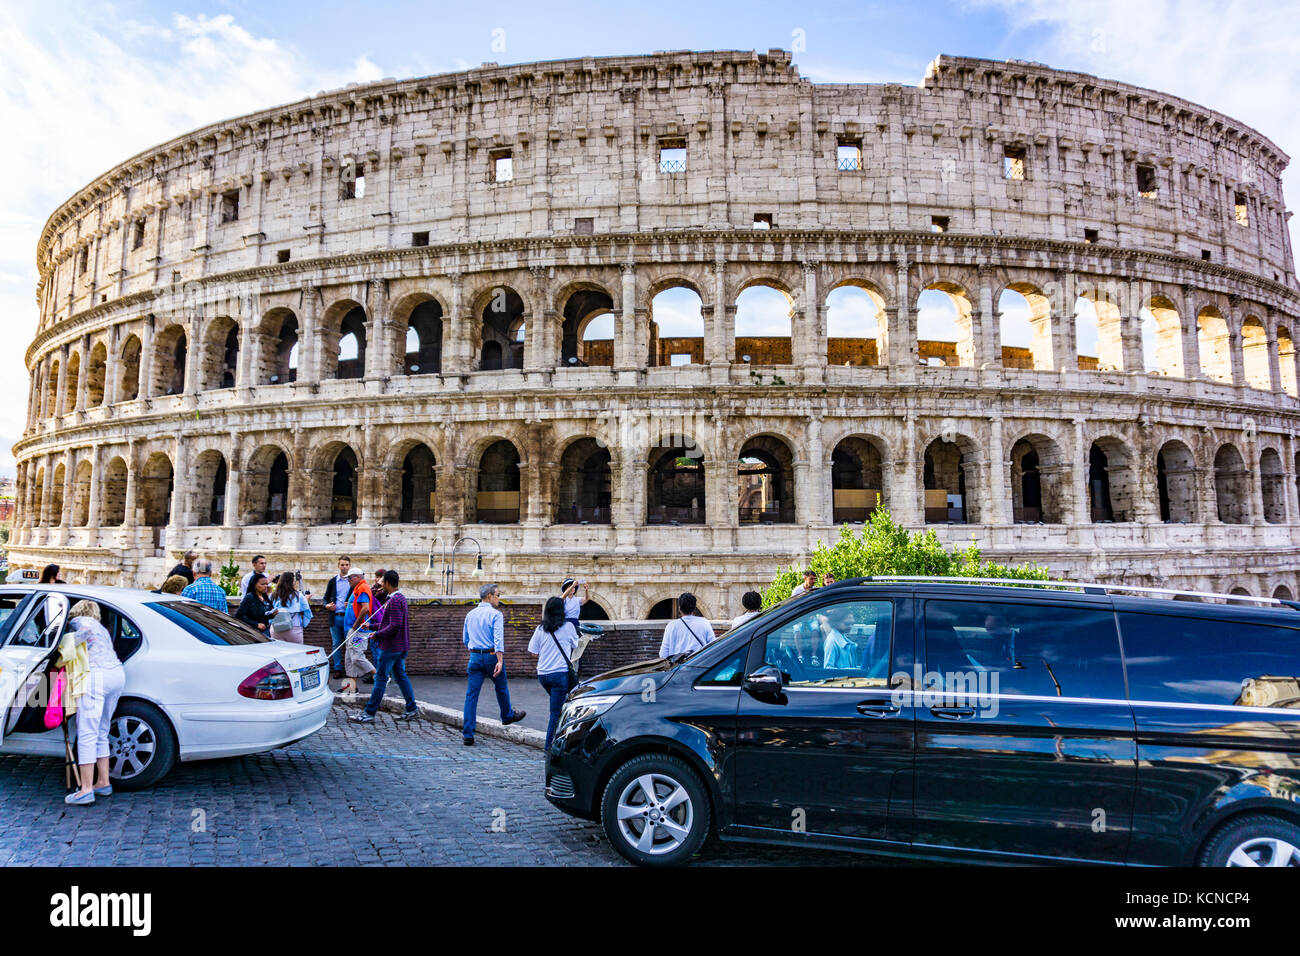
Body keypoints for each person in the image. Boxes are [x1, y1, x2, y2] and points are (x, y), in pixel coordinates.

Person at [61, 601, 125, 805]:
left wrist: (67, 642)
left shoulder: (80, 621)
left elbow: (84, 632)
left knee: (87, 731)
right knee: (101, 730)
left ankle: (86, 789)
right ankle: (103, 782)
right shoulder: (103, 629)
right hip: (117, 674)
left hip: (96, 676)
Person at [349, 571, 418, 724]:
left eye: (382, 583)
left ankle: (369, 713)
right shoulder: (399, 599)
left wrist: (377, 634)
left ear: (387, 583)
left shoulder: (394, 601)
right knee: (400, 677)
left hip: (391, 647)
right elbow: (392, 623)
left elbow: (394, 625)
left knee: (380, 679)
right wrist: (372, 625)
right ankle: (412, 708)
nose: (381, 586)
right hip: (399, 646)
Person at [461, 583, 526, 746]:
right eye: (497, 595)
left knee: (471, 695)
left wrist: (473, 649)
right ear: (489, 596)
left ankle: (468, 733)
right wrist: (500, 660)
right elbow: (498, 640)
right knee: (501, 686)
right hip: (491, 656)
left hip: (475, 656)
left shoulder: (470, 614)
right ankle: (507, 715)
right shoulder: (496, 615)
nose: (499, 598)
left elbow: (465, 639)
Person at [528, 596, 580, 750]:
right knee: (556, 712)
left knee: (561, 705)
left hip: (543, 675)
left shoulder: (540, 629)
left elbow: (533, 652)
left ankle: (564, 737)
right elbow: (575, 644)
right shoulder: (568, 626)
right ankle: (549, 747)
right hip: (559, 675)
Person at [658, 593, 717, 658]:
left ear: (679, 608)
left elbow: (663, 653)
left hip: (677, 666)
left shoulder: (671, 625)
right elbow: (713, 645)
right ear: (694, 608)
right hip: (699, 665)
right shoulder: (704, 622)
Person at [323, 555, 354, 679]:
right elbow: (325, 598)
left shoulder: (353, 582)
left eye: (346, 565)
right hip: (335, 617)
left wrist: (351, 604)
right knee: (336, 643)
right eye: (342, 565)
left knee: (350, 643)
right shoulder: (333, 581)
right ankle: (337, 668)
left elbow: (360, 600)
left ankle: (350, 668)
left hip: (349, 618)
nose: (344, 567)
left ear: (349, 566)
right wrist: (327, 606)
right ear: (338, 566)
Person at [271, 573, 312, 644]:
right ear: (292, 582)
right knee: (297, 652)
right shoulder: (298, 596)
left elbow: (269, 611)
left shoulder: (273, 595)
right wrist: (306, 600)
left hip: (276, 627)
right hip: (294, 627)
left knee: (278, 652)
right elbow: (307, 612)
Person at [817, 605, 859, 669]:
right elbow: (828, 668)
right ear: (836, 622)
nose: (850, 626)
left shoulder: (842, 640)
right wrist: (851, 670)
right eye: (847, 623)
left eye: (852, 624)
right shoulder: (832, 642)